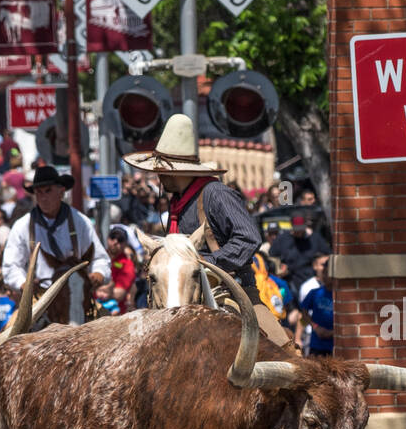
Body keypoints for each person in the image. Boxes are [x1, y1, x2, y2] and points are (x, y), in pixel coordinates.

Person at [123, 114, 289, 346]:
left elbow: (249, 238)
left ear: (174, 170)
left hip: (234, 295)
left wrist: (203, 262)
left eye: (161, 170)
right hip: (184, 299)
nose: (158, 177)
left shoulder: (215, 194)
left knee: (281, 353)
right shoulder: (177, 203)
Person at [1, 165, 110, 326]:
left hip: (78, 296)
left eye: (48, 191)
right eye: (39, 192)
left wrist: (98, 274)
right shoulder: (22, 225)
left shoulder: (81, 222)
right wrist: (24, 283)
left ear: (61, 192)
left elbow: (100, 258)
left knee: (111, 333)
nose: (43, 197)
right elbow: (11, 266)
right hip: (39, 299)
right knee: (9, 333)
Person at [300, 255, 334, 357]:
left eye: (327, 273)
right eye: (323, 272)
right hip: (316, 345)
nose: (324, 275)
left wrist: (331, 333)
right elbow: (303, 316)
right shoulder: (314, 293)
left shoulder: (341, 297)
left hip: (334, 346)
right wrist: (315, 327)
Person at [106, 226, 138, 314]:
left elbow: (118, 294)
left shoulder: (128, 265)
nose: (115, 242)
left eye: (120, 239)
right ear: (107, 238)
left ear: (125, 244)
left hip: (114, 317)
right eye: (113, 237)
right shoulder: (99, 258)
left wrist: (94, 292)